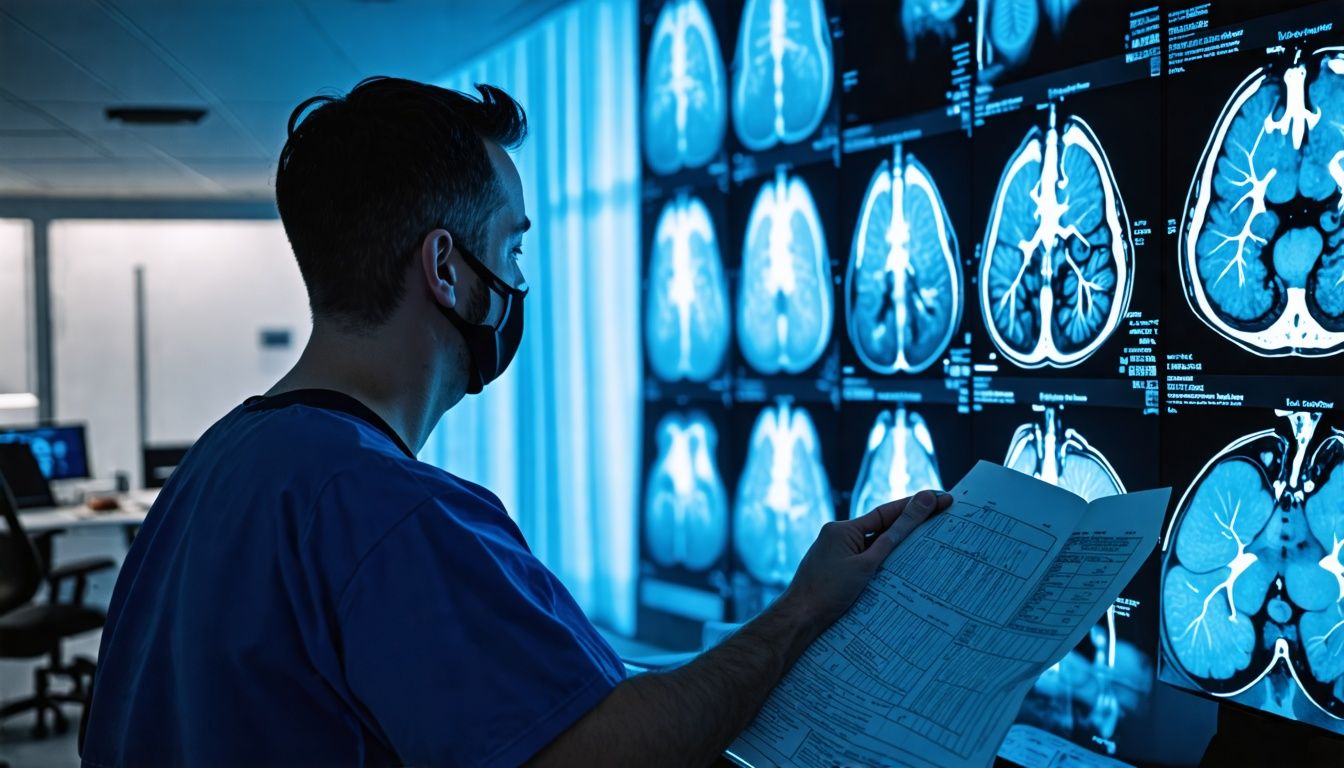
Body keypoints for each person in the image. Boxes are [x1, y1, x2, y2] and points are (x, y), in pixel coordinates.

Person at [80, 77, 950, 767]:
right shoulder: (389, 512)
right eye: (513, 248)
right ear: (447, 269)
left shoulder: (218, 466)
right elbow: (602, 755)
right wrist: (804, 609)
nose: (520, 281)